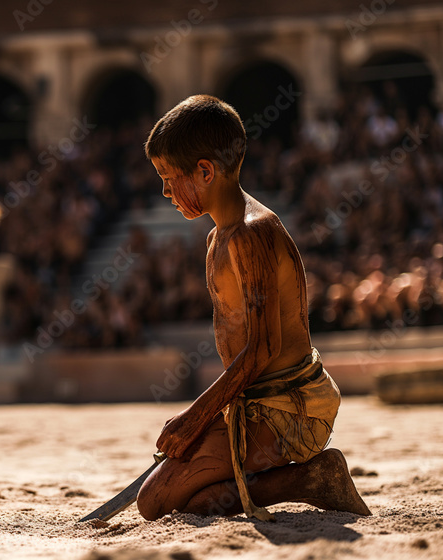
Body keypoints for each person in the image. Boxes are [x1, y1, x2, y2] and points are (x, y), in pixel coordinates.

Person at [135, 95, 371, 521]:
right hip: (252, 401)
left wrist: (197, 415)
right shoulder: (216, 238)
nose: (165, 190)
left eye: (168, 177)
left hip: (290, 409)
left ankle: (312, 476)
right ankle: (304, 479)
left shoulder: (251, 233)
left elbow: (263, 349)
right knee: (196, 502)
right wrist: (213, 416)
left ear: (205, 170)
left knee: (153, 502)